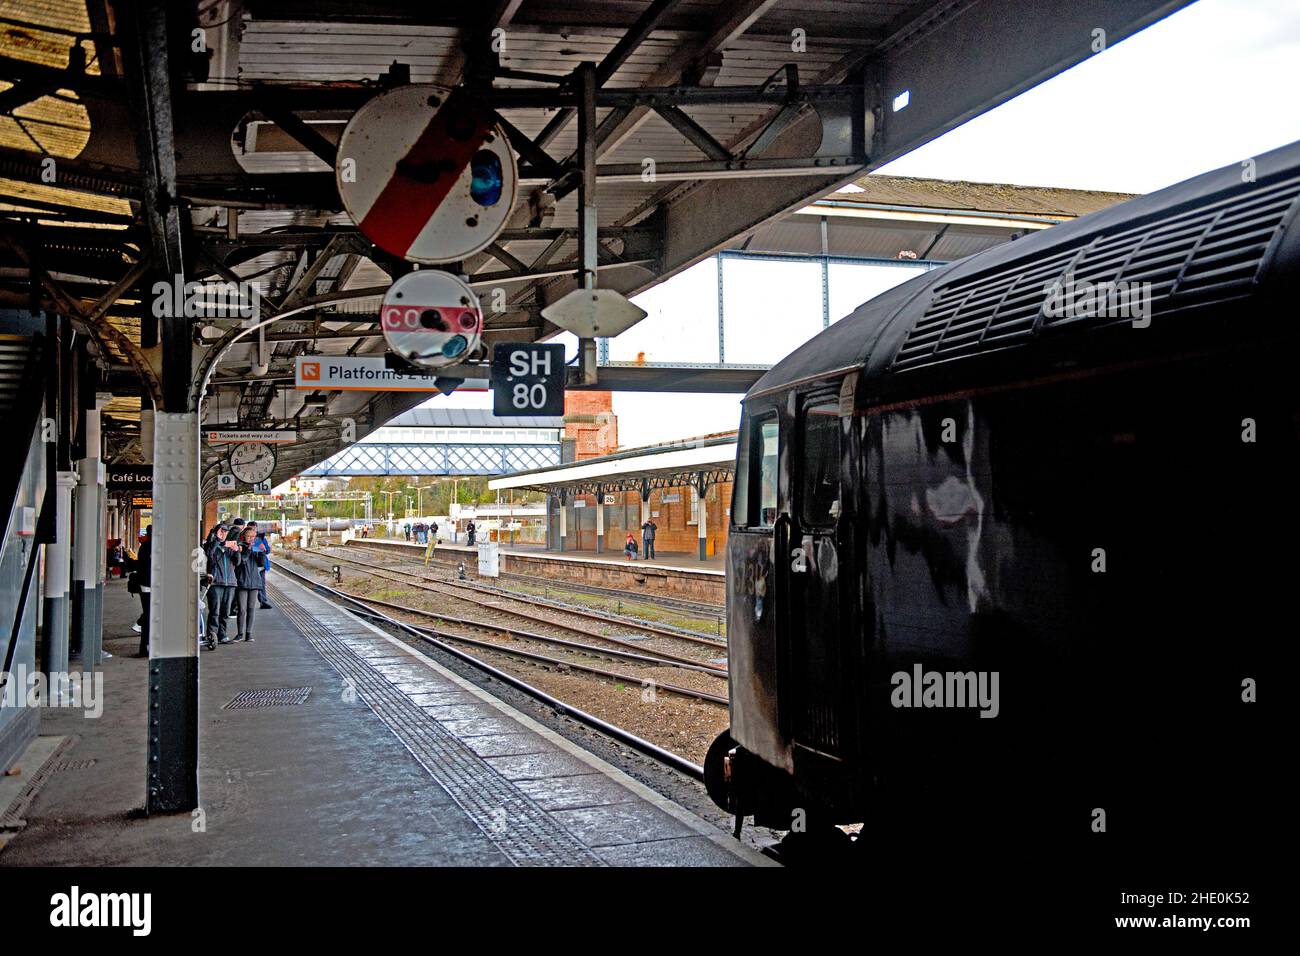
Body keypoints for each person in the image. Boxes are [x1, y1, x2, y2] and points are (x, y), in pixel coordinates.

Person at [204, 523, 239, 649]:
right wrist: (218, 541)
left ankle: (222, 634)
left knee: (225, 611)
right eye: (222, 531)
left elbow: (237, 562)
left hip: (230, 582)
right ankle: (212, 635)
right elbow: (209, 553)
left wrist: (236, 551)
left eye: (226, 532)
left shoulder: (231, 546)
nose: (224, 533)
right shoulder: (211, 545)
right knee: (215, 611)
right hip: (215, 583)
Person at [232, 525, 264, 642]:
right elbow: (241, 562)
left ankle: (248, 633)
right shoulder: (239, 547)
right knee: (242, 609)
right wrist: (248, 549)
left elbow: (261, 564)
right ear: (243, 536)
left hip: (254, 581)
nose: (251, 539)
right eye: (248, 536)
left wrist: (262, 552)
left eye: (253, 537)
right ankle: (240, 633)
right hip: (242, 581)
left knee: (251, 608)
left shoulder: (256, 548)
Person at [129, 526, 151, 656]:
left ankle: (145, 647)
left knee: (148, 615)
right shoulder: (152, 546)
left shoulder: (144, 547)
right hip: (150, 585)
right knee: (150, 616)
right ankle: (146, 648)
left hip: (145, 585)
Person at [250, 522, 273, 609]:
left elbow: (267, 551)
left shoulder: (261, 538)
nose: (253, 530)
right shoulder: (244, 538)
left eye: (254, 528)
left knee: (262, 583)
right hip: (249, 564)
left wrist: (265, 548)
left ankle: (263, 601)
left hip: (260, 564)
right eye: (251, 528)